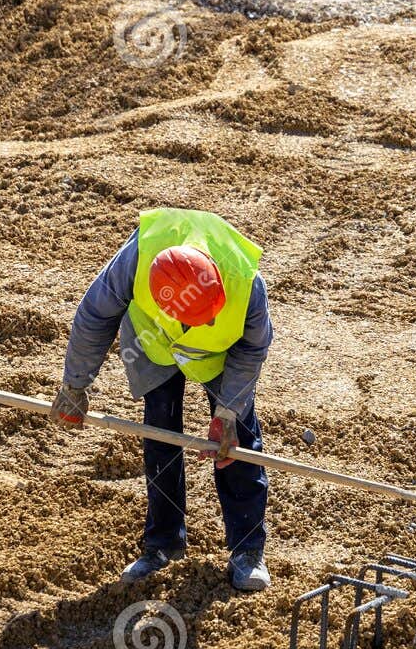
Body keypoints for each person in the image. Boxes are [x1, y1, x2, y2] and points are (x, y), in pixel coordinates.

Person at [51, 207, 272, 592]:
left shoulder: (246, 284)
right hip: (152, 340)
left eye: (204, 315)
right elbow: (94, 316)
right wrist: (74, 386)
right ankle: (163, 544)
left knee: (235, 445)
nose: (197, 325)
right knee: (160, 431)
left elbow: (252, 350)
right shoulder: (137, 256)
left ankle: (247, 551)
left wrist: (227, 411)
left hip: (222, 353)